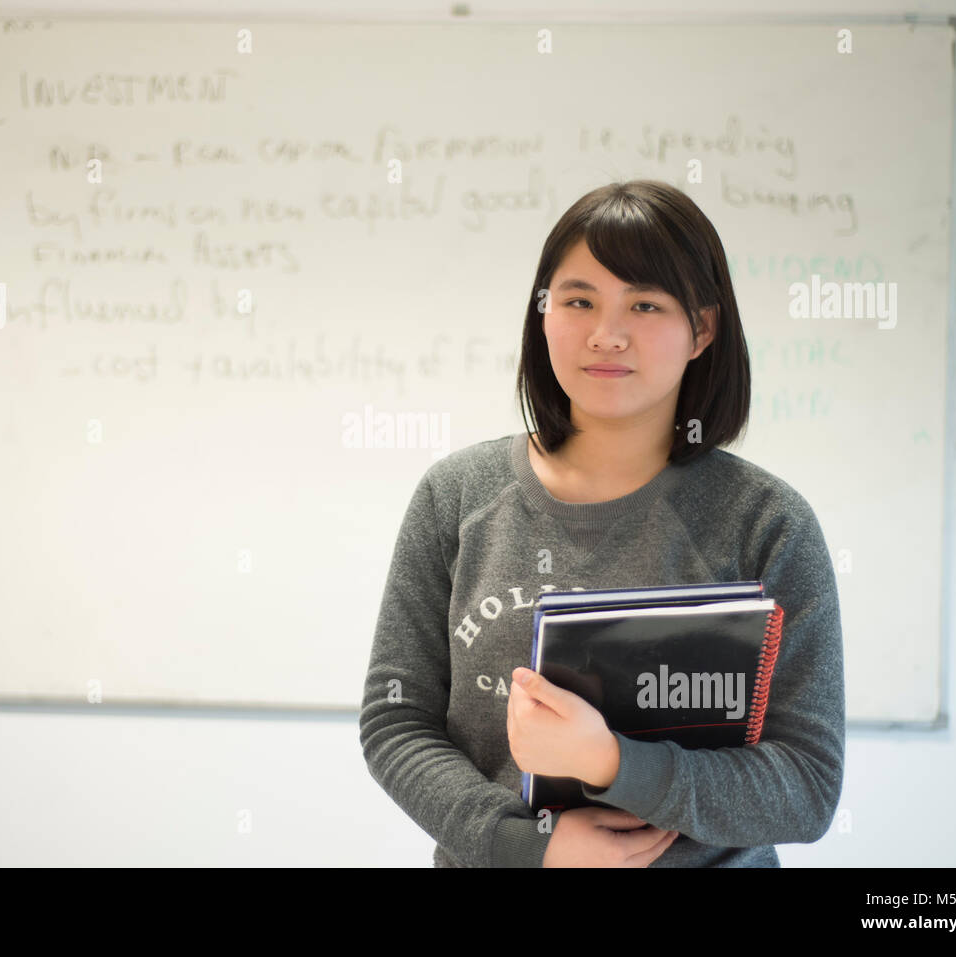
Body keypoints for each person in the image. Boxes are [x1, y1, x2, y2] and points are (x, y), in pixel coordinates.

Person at [358, 180, 845, 867]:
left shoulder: (767, 523)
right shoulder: (457, 495)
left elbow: (806, 787)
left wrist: (614, 762)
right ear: (543, 312)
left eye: (645, 304)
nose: (605, 333)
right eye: (578, 300)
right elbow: (394, 722)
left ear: (703, 328)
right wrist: (531, 848)